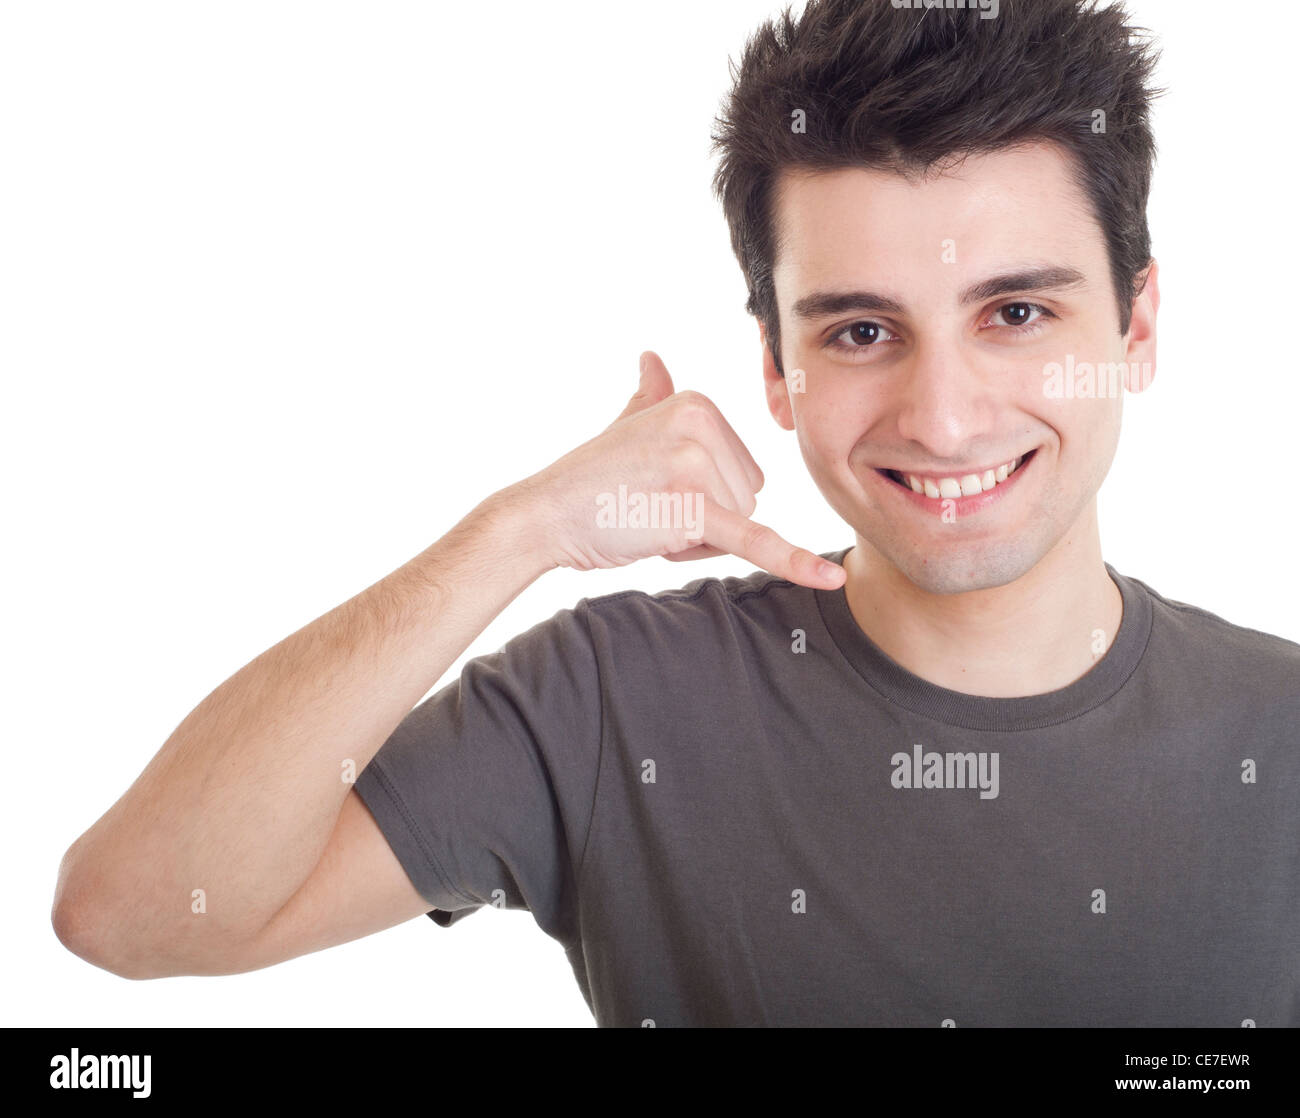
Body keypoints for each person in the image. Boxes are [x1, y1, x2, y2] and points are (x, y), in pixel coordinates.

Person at [52, 0, 1299, 1027]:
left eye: (1015, 313)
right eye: (861, 331)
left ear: (1136, 327)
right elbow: (132, 912)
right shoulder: (612, 700)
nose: (945, 416)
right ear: (774, 366)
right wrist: (520, 529)